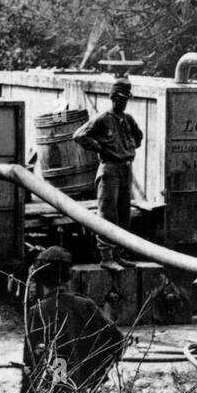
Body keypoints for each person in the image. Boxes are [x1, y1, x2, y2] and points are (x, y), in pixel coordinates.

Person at [22, 246, 125, 393]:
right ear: (68, 276)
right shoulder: (84, 305)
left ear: (38, 277)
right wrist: (93, 375)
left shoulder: (38, 312)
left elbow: (30, 364)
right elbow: (116, 341)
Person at [73, 79, 143, 270]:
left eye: (126, 99)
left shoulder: (127, 120)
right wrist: (99, 146)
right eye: (120, 99)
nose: (123, 102)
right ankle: (106, 256)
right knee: (107, 213)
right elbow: (79, 135)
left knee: (123, 214)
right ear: (112, 97)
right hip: (109, 169)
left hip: (126, 169)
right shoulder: (103, 119)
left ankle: (119, 254)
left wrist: (126, 148)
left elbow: (139, 137)